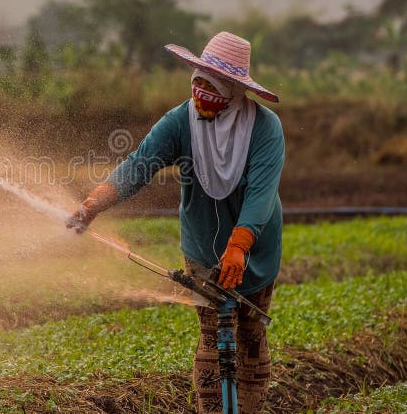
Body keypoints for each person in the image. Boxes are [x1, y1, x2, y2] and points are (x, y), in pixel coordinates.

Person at [66, 32, 284, 414]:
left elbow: (260, 196)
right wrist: (95, 203)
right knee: (211, 331)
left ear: (233, 91)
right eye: (197, 87)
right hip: (201, 244)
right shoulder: (180, 121)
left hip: (254, 247)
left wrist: (238, 247)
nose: (201, 100)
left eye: (211, 91)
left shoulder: (265, 130)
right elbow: (139, 165)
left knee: (249, 334)